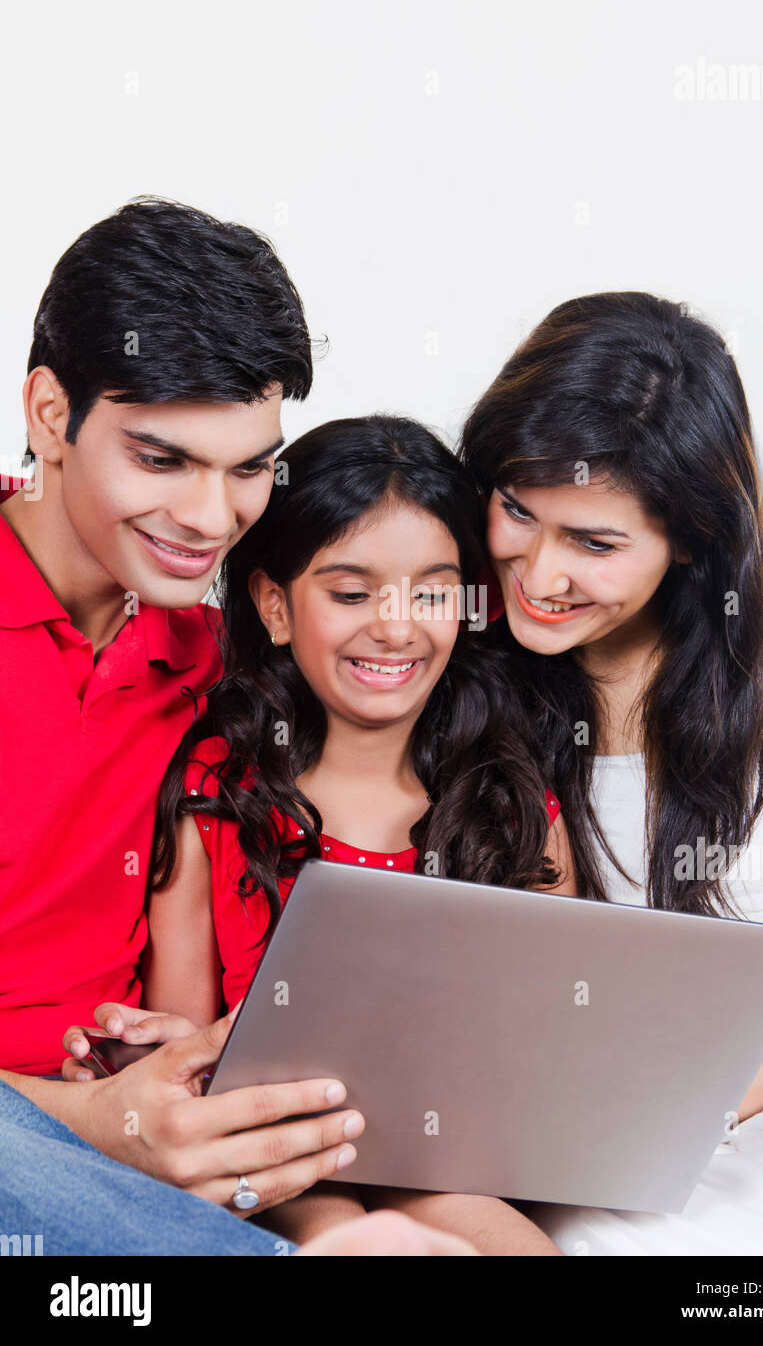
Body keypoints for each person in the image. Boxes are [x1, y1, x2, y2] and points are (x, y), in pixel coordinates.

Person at [0, 195, 473, 1256]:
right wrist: (91, 1121)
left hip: (137, 1114)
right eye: (162, 460)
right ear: (48, 414)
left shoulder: (225, 661)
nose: (212, 519)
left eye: (249, 466)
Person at [65, 413, 575, 1255]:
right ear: (272, 605)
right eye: (349, 593)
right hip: (284, 1156)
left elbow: (563, 1024)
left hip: (456, 1155)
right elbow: (186, 1051)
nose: (397, 626)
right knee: (344, 1229)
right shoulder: (216, 799)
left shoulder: (512, 800)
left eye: (434, 593)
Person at [457, 290, 763, 1253]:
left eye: (594, 545)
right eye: (518, 511)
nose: (539, 575)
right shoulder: (466, 672)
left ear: (689, 542)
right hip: (609, 1148)